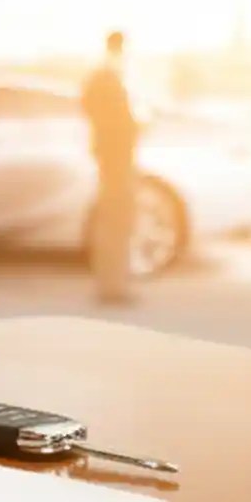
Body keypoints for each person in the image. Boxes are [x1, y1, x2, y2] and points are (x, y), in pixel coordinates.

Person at [80, 30, 140, 303]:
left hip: (113, 158)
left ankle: (113, 285)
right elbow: (109, 118)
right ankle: (111, 287)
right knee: (115, 221)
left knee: (115, 221)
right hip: (115, 160)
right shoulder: (106, 77)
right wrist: (133, 128)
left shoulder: (106, 76)